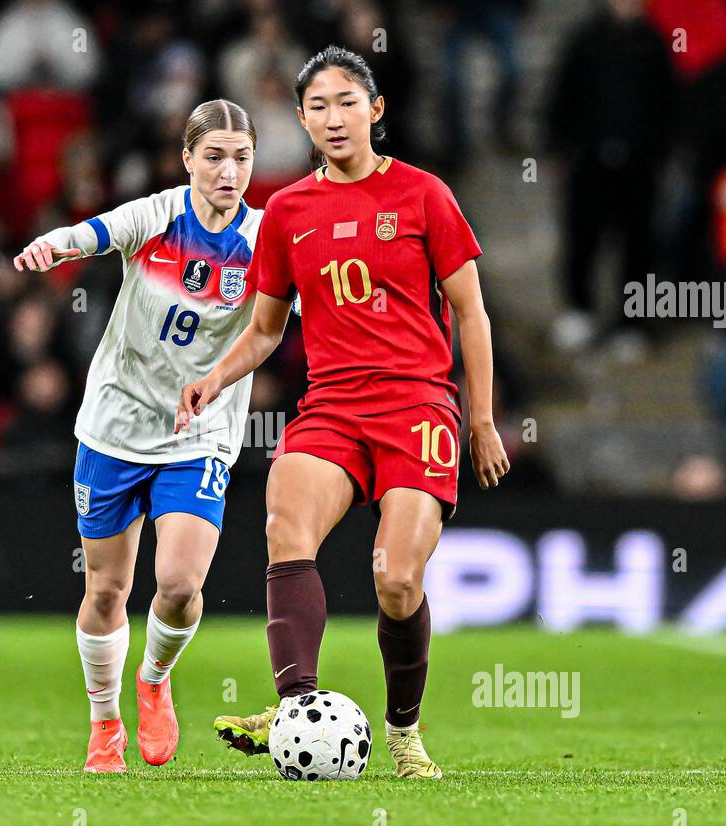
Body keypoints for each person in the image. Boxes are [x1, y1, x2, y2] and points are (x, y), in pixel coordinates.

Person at [176, 47, 509, 779]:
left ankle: (403, 731)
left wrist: (480, 419)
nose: (333, 118)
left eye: (347, 103)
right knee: (283, 525)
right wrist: (214, 377)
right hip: (330, 406)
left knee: (395, 578)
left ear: (376, 110)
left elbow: (471, 311)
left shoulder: (425, 196)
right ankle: (295, 706)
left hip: (417, 403)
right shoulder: (287, 212)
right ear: (300, 118)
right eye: (318, 106)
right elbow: (265, 329)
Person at [13, 100, 263, 773]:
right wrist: (58, 242)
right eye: (214, 156)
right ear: (187, 160)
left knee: (179, 584)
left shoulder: (268, 239)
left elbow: (293, 313)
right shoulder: (159, 215)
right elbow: (96, 231)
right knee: (105, 591)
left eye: (241, 156)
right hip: (116, 425)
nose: (228, 170)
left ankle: (154, 679)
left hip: (199, 432)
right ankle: (104, 725)